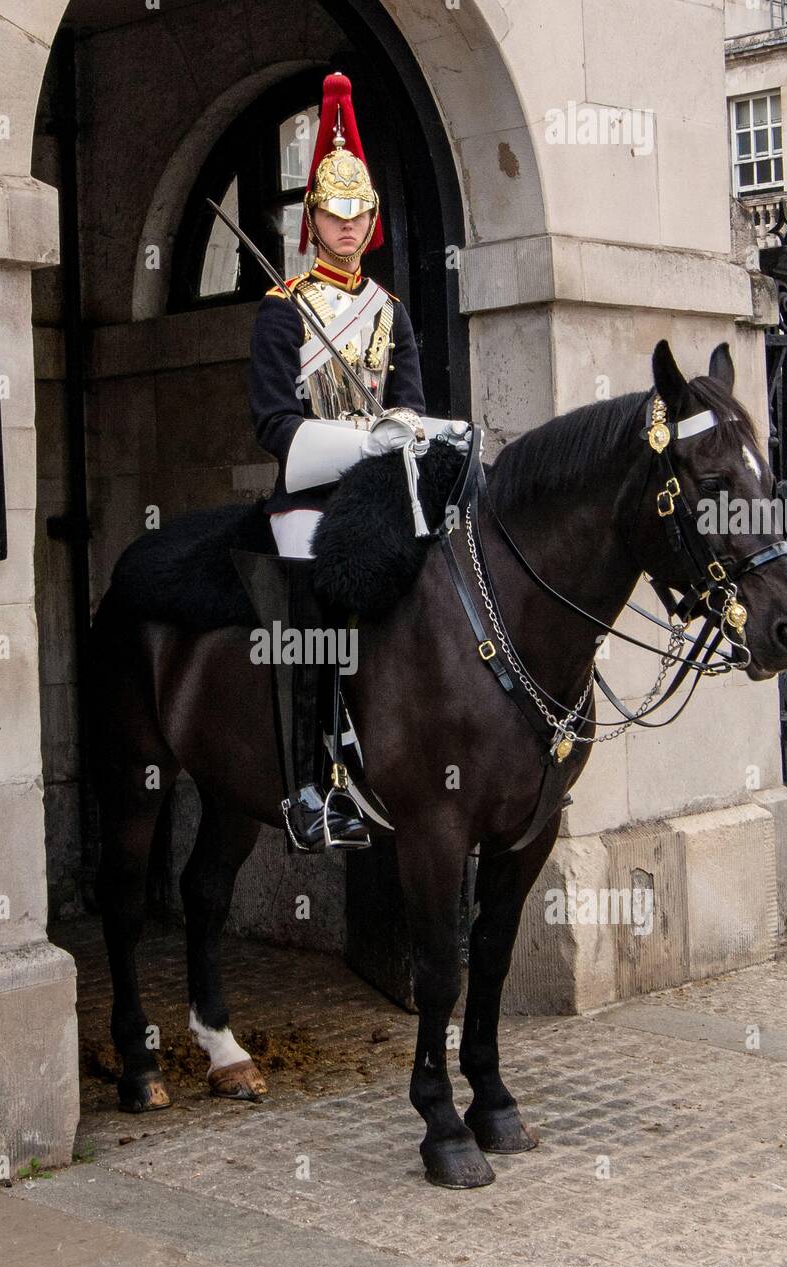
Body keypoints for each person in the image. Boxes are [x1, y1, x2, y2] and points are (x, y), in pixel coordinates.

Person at [245, 71, 468, 852]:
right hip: (309, 494)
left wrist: (413, 431)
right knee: (316, 624)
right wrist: (357, 440)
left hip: (378, 491)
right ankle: (310, 785)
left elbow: (405, 398)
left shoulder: (392, 314)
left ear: (372, 222)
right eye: (334, 213)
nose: (346, 225)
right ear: (314, 218)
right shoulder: (282, 311)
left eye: (358, 213)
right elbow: (273, 424)